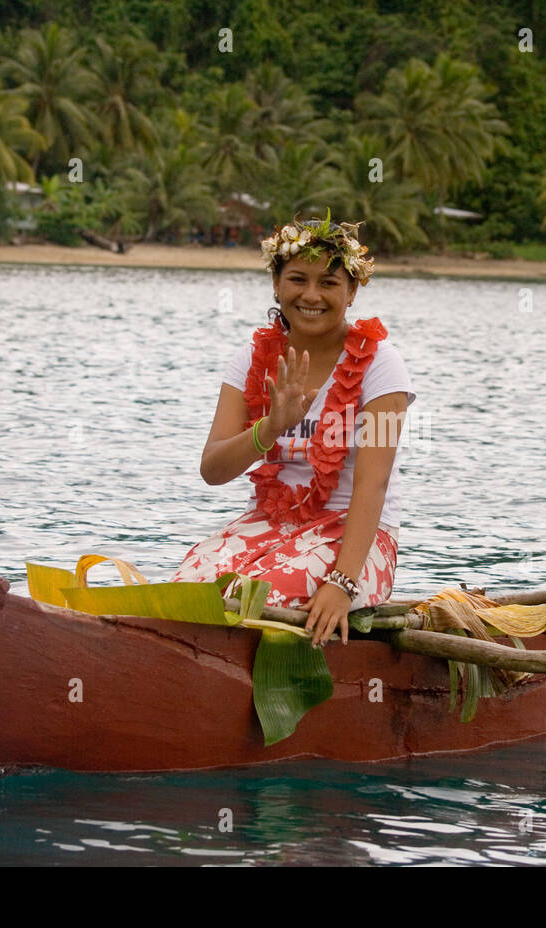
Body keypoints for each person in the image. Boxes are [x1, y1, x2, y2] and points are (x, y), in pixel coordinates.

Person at [173, 216, 414, 646]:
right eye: (298, 279)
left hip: (357, 539)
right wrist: (269, 427)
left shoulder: (382, 366)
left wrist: (342, 584)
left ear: (352, 290)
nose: (311, 296)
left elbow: (372, 486)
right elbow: (212, 469)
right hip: (268, 523)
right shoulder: (251, 357)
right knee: (187, 590)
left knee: (266, 599)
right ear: (276, 284)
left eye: (329, 283)